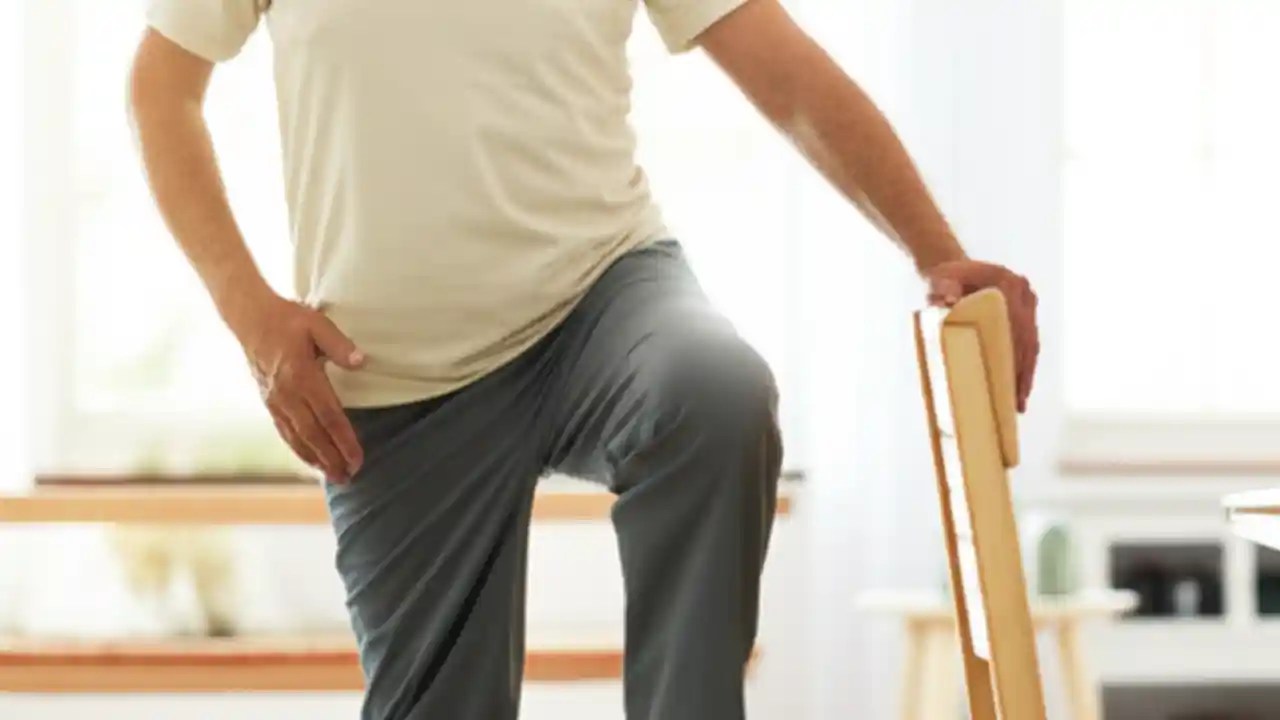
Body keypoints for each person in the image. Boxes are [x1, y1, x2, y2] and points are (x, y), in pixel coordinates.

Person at [128, 0, 1039, 717]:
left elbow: (783, 69)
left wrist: (934, 250)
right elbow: (161, 91)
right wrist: (253, 317)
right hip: (396, 369)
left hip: (600, 296)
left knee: (715, 393)